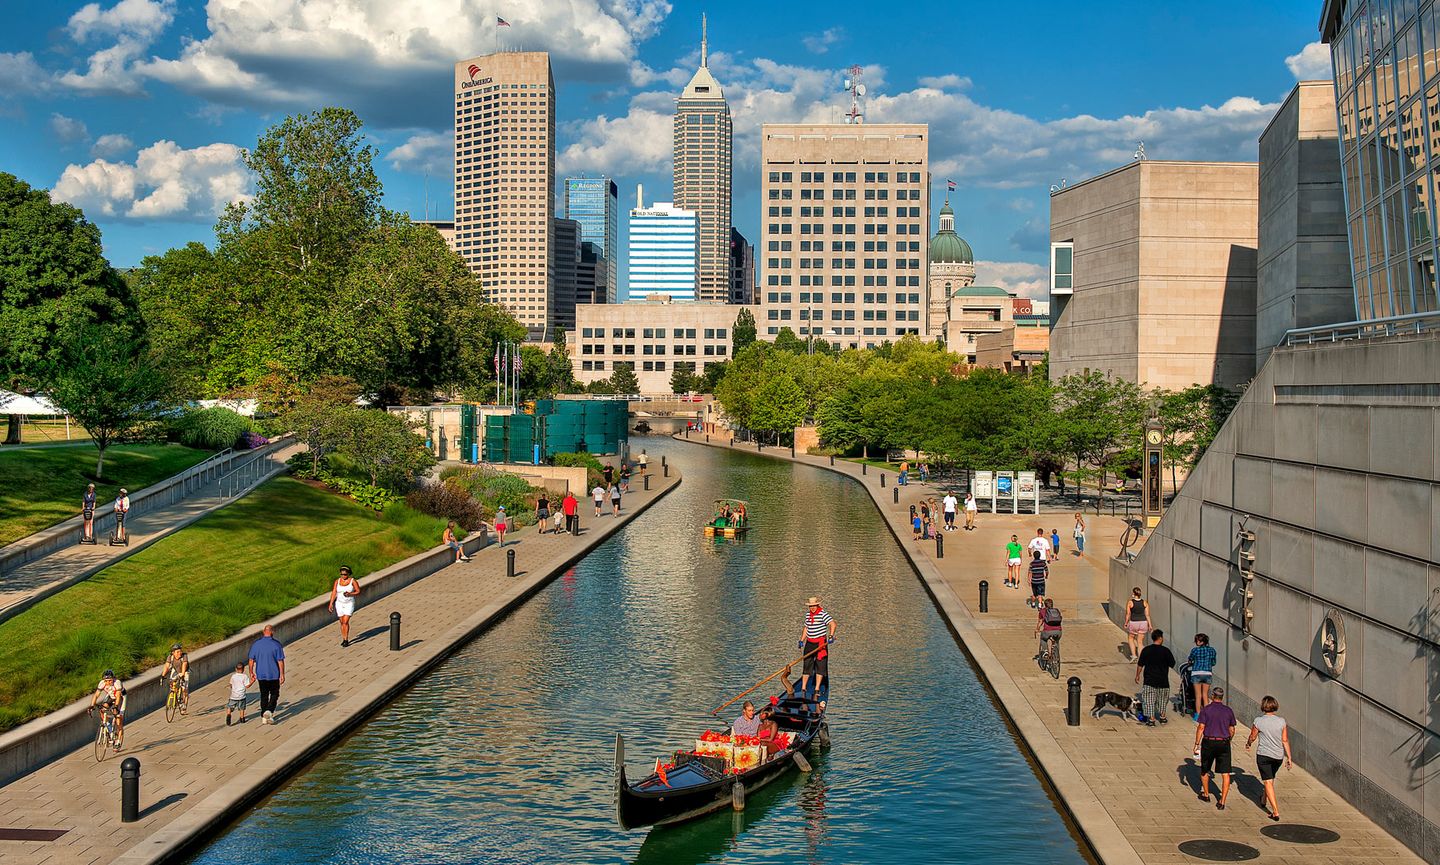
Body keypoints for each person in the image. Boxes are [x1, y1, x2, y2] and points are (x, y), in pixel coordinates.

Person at [1245, 695, 1292, 821]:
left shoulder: (1258, 721)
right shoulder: (1281, 721)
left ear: (1263, 706)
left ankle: (1275, 812)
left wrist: (1248, 743)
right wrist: (1289, 757)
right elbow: (1285, 740)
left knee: (1267, 781)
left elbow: (1252, 736)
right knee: (1270, 778)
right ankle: (1263, 799)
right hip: (1278, 756)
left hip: (1264, 755)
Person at [1193, 687, 1237, 809]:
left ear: (1212, 696)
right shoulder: (1228, 711)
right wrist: (1228, 739)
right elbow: (1232, 729)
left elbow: (1201, 727)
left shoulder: (1207, 709)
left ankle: (1206, 795)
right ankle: (1222, 801)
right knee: (1225, 772)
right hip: (1224, 743)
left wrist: (1197, 743)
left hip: (1209, 742)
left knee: (1205, 769)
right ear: (1222, 697)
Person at [797, 596, 836, 709]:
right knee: (807, 665)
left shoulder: (823, 613)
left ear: (817, 605)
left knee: (820, 665)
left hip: (820, 643)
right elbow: (806, 628)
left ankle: (817, 688)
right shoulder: (808, 615)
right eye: (811, 606)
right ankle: (803, 688)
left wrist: (831, 636)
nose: (812, 608)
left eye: (814, 606)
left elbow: (833, 624)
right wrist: (801, 640)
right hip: (809, 643)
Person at [1134, 629, 1175, 726]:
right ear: (1160, 638)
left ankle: (1151, 719)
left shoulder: (1146, 650)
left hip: (1149, 680)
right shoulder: (1166, 651)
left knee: (1149, 700)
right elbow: (1172, 664)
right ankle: (1162, 717)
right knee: (1162, 699)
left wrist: (1137, 675)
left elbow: (1140, 664)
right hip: (1163, 680)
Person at [247, 625, 286, 724]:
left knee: (264, 695)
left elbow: (251, 660)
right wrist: (282, 674)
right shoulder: (276, 645)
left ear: (263, 632)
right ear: (272, 632)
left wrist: (251, 672)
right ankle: (269, 711)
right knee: (274, 694)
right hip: (273, 674)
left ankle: (264, 716)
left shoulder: (256, 644)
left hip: (261, 674)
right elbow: (280, 661)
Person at [89, 669, 126, 748]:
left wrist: (116, 706)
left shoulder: (117, 683)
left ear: (113, 679)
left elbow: (118, 696)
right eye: (106, 681)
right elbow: (96, 695)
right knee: (102, 708)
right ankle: (108, 726)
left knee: (118, 719)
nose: (108, 683)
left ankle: (118, 741)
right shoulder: (102, 683)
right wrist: (92, 705)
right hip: (111, 696)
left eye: (110, 680)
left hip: (121, 697)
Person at [1187, 633, 1216, 719]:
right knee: (1205, 695)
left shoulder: (1195, 650)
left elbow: (1190, 659)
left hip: (1196, 673)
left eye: (1197, 640)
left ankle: (1197, 715)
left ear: (1201, 642)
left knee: (1198, 695)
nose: (1196, 642)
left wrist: (1192, 662)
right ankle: (1207, 715)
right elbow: (1214, 662)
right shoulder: (1212, 650)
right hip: (1207, 673)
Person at [329, 566, 360, 647]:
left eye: (345, 574)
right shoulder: (337, 581)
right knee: (342, 622)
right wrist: (331, 603)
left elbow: (358, 591)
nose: (343, 576)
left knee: (345, 621)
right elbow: (334, 592)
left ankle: (346, 640)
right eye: (342, 574)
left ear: (348, 574)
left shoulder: (353, 581)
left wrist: (350, 594)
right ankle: (344, 638)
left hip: (349, 603)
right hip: (339, 603)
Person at [159, 643, 190, 712]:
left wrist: (182, 674)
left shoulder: (184, 656)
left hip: (184, 671)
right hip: (175, 670)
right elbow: (167, 666)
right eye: (177, 652)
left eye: (180, 651)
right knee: (172, 682)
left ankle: (184, 703)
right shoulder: (170, 657)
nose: (180, 653)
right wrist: (163, 675)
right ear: (173, 653)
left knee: (184, 688)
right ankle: (174, 693)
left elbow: (184, 664)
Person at [1125, 587, 1151, 660]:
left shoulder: (1130, 602)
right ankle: (1141, 658)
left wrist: (1126, 622)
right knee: (1140, 642)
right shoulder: (1145, 602)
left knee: (1131, 638)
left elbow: (1128, 614)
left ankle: (1134, 655)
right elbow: (1147, 615)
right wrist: (1150, 625)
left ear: (1133, 593)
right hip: (1143, 623)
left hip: (1134, 622)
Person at [1035, 598, 1063, 662]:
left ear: (1045, 605)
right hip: (1058, 631)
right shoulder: (1057, 610)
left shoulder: (1042, 611)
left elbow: (1040, 622)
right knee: (1056, 641)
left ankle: (1045, 652)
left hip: (1047, 631)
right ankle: (1056, 655)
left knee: (1043, 639)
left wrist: (1037, 629)